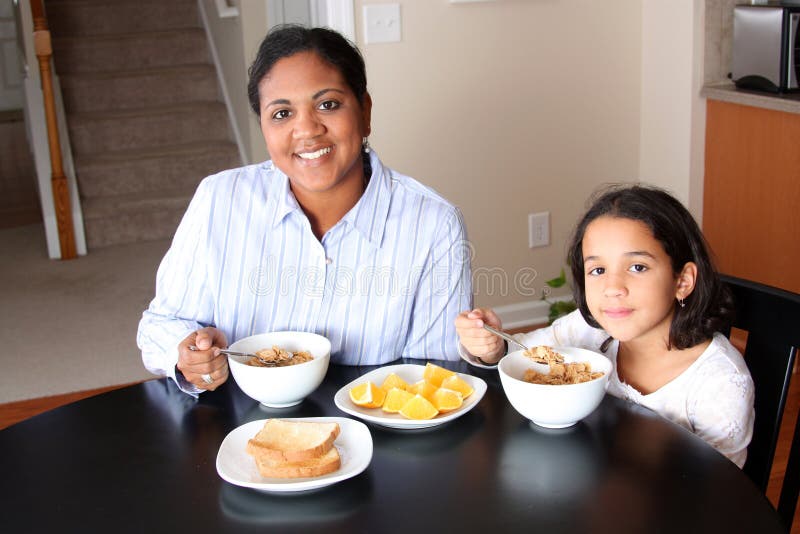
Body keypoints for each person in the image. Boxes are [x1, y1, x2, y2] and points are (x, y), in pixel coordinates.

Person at [137, 25, 472, 396]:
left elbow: (432, 376)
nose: (307, 130)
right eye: (282, 113)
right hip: (238, 426)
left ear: (365, 112)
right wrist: (188, 352)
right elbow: (160, 324)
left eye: (327, 104)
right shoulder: (219, 198)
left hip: (374, 428)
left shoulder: (434, 224)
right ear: (263, 126)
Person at [455, 184, 754, 467]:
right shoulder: (589, 331)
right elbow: (523, 352)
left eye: (637, 267)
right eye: (598, 269)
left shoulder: (719, 384)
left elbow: (716, 494)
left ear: (683, 281)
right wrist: (492, 347)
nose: (613, 287)